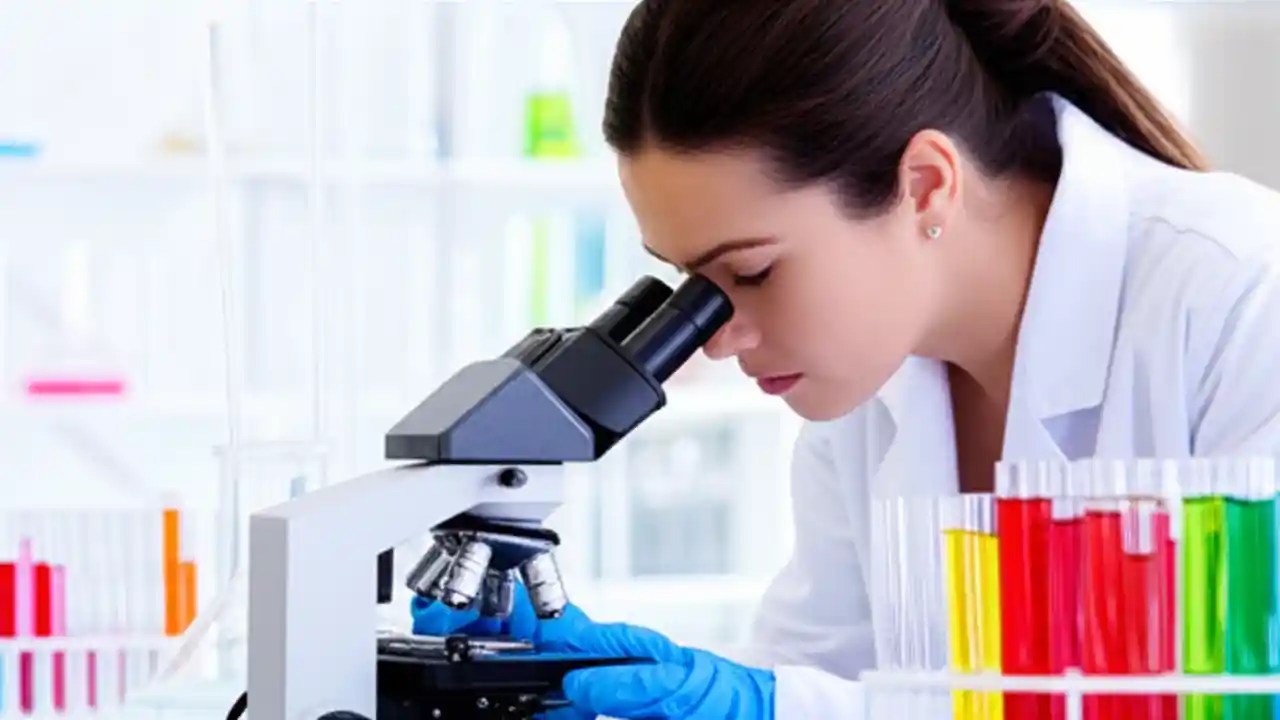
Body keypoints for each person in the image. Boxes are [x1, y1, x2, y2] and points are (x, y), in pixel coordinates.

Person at [414, 0, 1280, 717]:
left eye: (750, 272)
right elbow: (825, 680)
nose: (717, 335)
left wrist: (768, 706)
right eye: (689, 286)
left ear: (925, 185)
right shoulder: (872, 385)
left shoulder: (1240, 297)